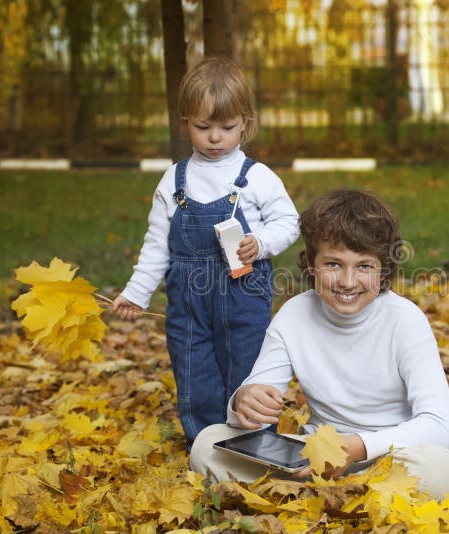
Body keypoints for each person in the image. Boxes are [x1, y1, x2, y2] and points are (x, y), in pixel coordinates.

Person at [189, 190, 449, 499]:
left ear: (384, 268)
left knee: (443, 470)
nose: (347, 281)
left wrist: (357, 447)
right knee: (207, 444)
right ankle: (351, 496)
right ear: (311, 262)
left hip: (391, 454)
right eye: (334, 264)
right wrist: (244, 400)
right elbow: (259, 394)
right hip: (315, 456)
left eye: (364, 266)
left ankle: (321, 494)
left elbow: (440, 425)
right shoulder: (294, 315)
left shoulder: (405, 320)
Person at [111, 56, 299, 448]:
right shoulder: (174, 181)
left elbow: (288, 222)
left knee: (246, 367)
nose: (215, 137)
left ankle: (254, 444)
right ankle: (206, 445)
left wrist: (261, 243)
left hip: (243, 296)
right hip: (188, 303)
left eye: (226, 128)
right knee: (193, 370)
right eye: (203, 127)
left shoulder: (256, 177)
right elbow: (157, 243)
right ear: (186, 124)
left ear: (245, 123)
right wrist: (136, 292)